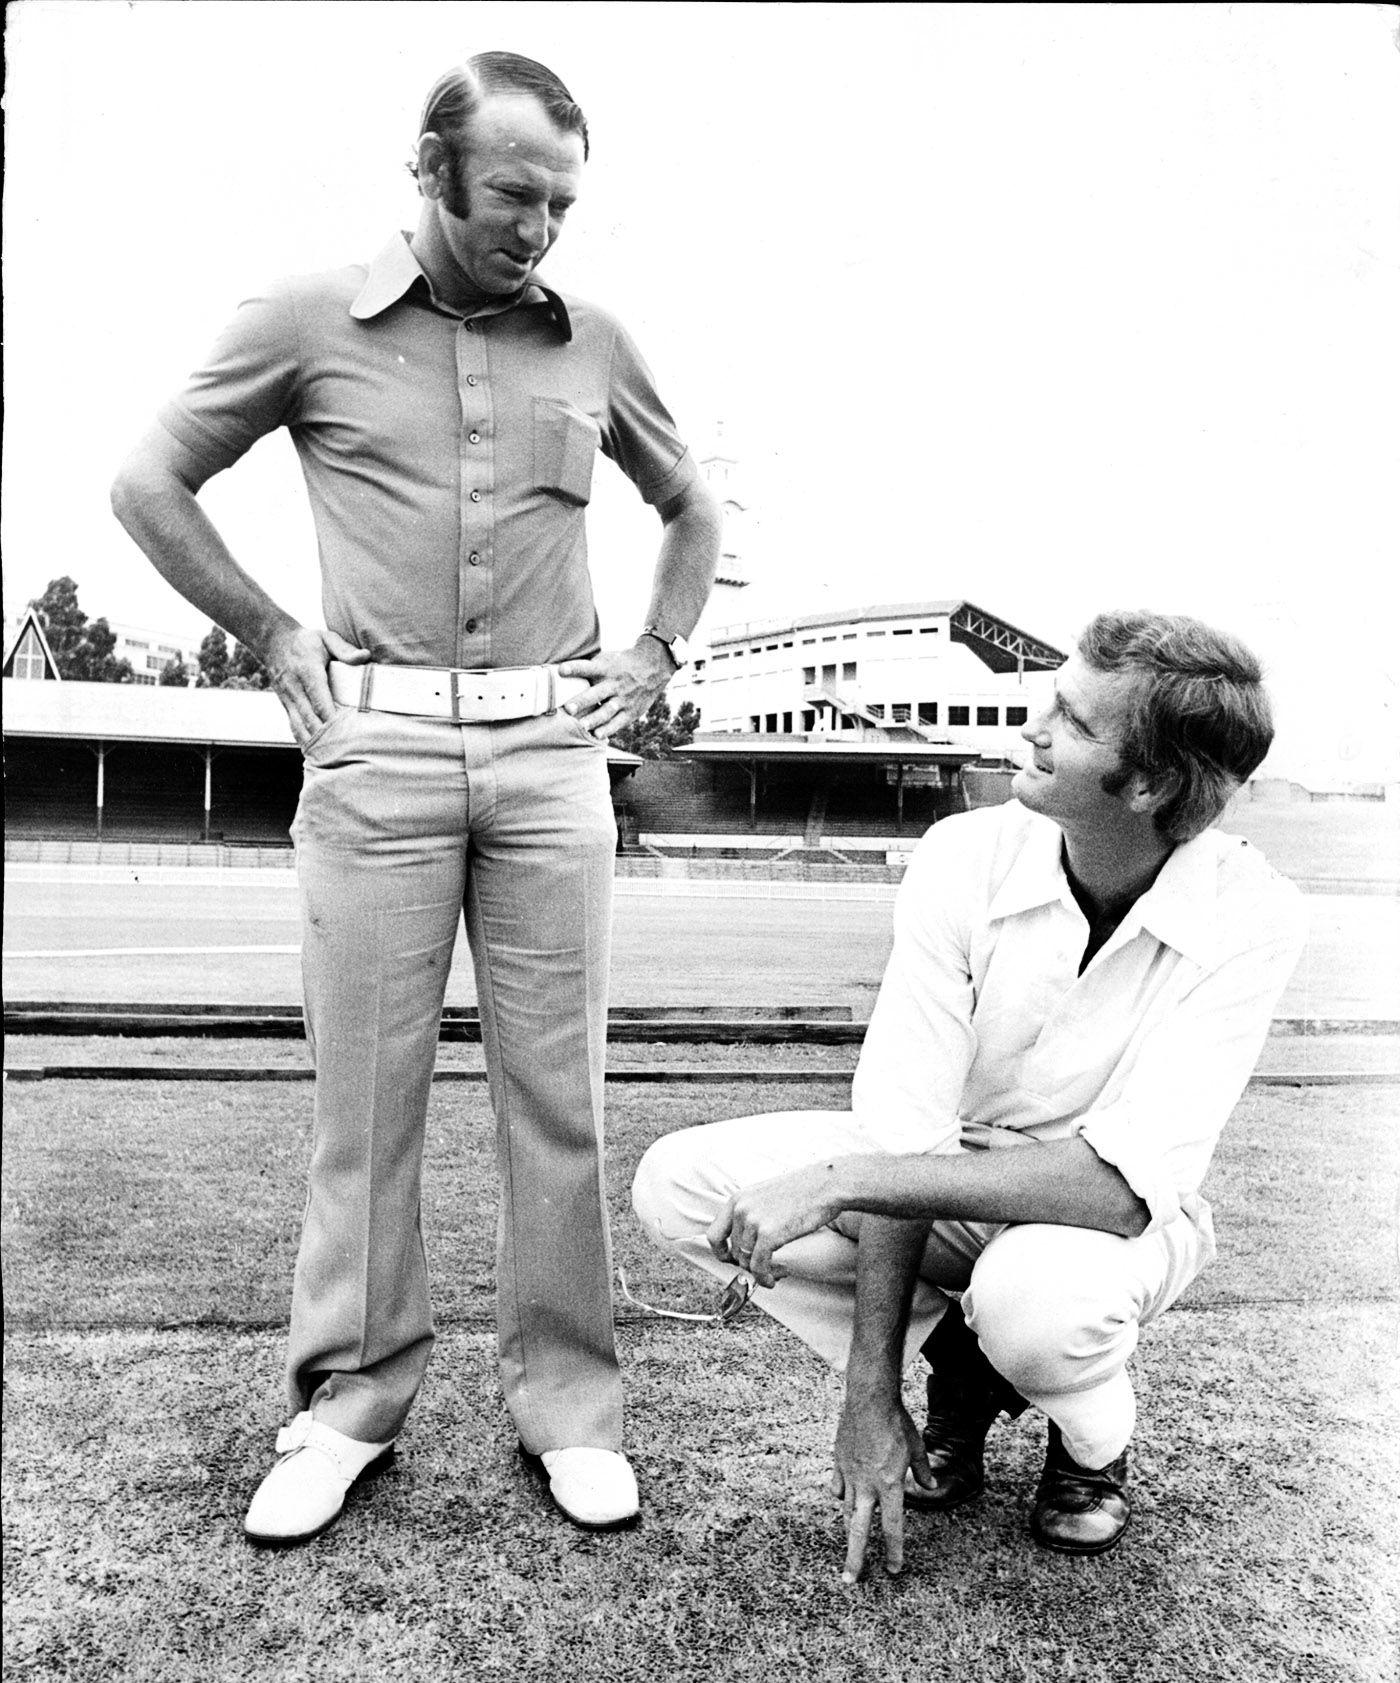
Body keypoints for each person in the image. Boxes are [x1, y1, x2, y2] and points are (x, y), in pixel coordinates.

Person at [111, 51, 720, 1543]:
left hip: (550, 757)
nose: (541, 229)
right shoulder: (305, 318)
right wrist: (266, 630)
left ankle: (571, 1408)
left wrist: (654, 649)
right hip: (373, 748)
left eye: (564, 201)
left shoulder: (597, 339)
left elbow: (693, 503)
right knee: (363, 1104)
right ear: (431, 169)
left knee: (556, 1098)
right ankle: (347, 1405)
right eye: (516, 194)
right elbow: (147, 482)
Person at [633, 610, 1305, 1580]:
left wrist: (842, 1179)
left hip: (1105, 1229)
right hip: (943, 1177)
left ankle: (1088, 1448)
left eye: (1071, 722)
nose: (1032, 729)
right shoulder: (962, 852)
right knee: (681, 1184)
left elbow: (1116, 1191)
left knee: (1031, 1298)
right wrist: (869, 1392)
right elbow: (905, 1129)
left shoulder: (1253, 912)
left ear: (1151, 782)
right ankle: (958, 1364)